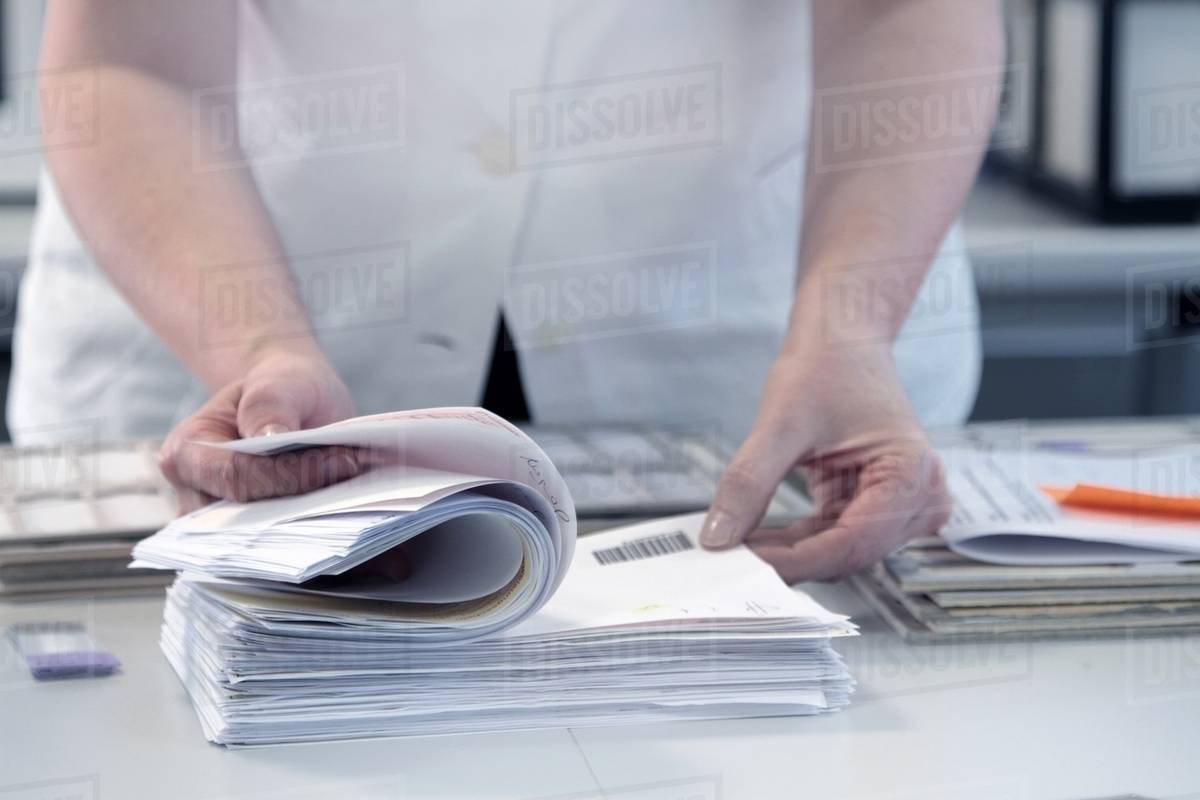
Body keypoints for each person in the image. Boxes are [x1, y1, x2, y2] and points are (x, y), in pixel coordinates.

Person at [11, 1, 1002, 582]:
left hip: (753, 342)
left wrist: (852, 325)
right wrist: (255, 350)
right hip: (225, 299)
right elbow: (129, 56)